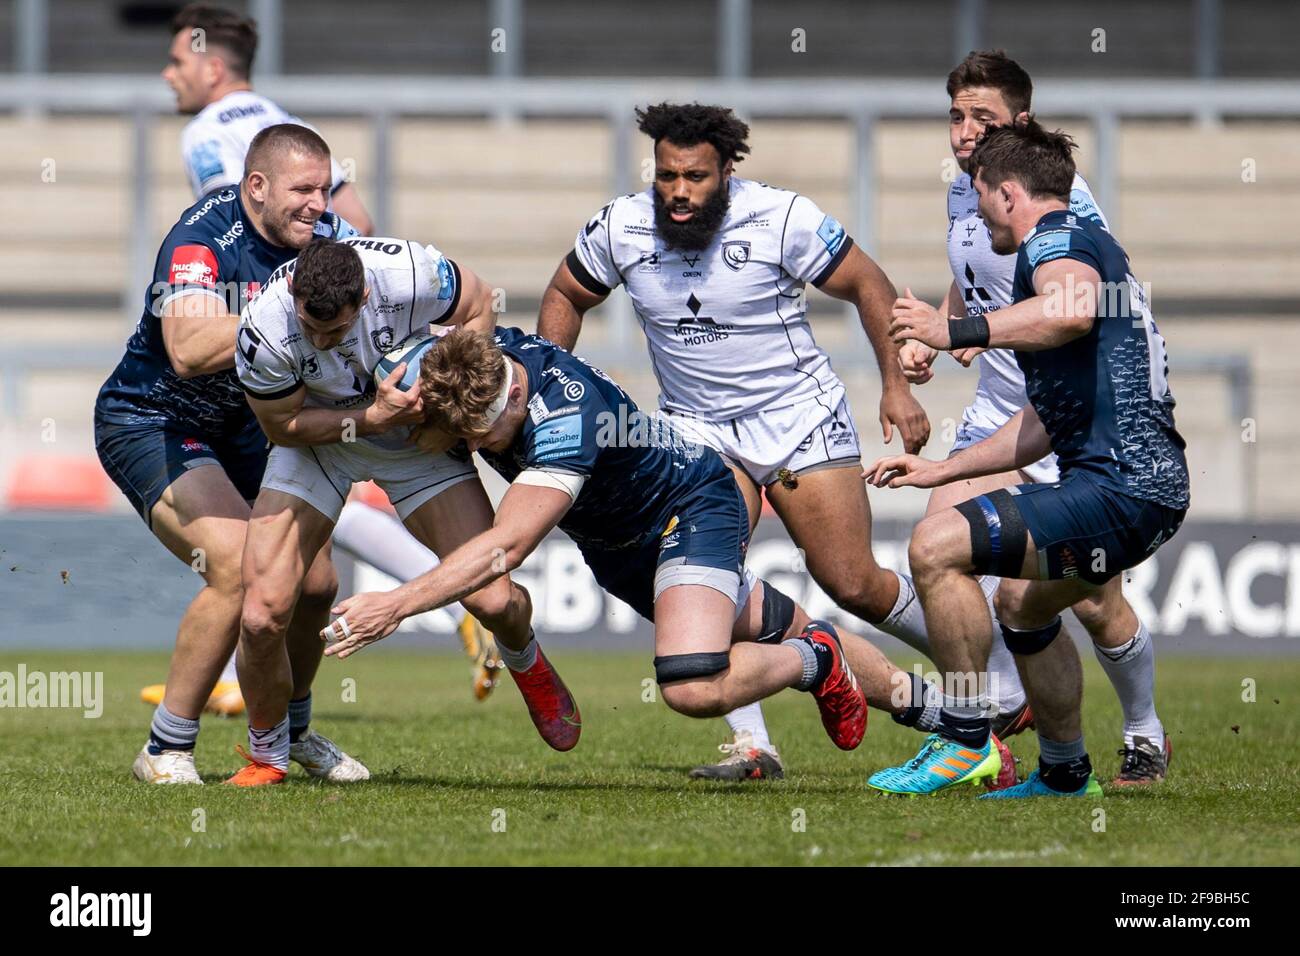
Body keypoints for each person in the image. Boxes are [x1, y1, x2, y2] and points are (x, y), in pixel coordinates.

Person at [536, 102, 933, 781]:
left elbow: (868, 283)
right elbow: (567, 292)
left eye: (695, 176)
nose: (680, 192)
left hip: (796, 419)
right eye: (666, 177)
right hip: (697, 432)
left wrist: (897, 385)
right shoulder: (621, 227)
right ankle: (754, 745)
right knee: (696, 579)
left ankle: (992, 678)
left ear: (726, 170)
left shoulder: (781, 218)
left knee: (853, 583)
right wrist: (549, 386)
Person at [317, 326, 882, 757]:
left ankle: (816, 659)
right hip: (614, 546)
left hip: (688, 506)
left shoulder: (565, 421)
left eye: (478, 437)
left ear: (513, 401)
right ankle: (934, 708)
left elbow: (504, 550)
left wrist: (393, 605)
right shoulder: (474, 356)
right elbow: (474, 301)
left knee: (690, 686)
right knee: (760, 624)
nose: (470, 448)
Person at [864, 121, 1189, 798]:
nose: (977, 212)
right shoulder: (1087, 248)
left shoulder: (1058, 241)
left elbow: (1066, 312)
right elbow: (1042, 424)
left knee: (934, 548)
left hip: (1120, 488)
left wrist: (953, 329)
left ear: (1008, 194)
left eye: (980, 195)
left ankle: (963, 738)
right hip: (1145, 489)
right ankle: (1067, 774)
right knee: (1023, 607)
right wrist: (945, 471)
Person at [95, 124, 366, 784]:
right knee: (239, 569)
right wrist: (285, 309)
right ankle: (165, 748)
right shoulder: (201, 239)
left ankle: (292, 733)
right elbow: (187, 348)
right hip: (153, 420)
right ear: (257, 187)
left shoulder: (325, 242)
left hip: (249, 426)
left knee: (317, 583)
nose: (317, 204)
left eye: (324, 190)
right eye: (302, 190)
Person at [228, 238, 538, 785]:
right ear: (294, 296)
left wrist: (449, 411)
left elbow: (481, 302)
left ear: (366, 296)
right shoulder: (262, 328)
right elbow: (280, 427)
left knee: (494, 597)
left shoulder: (406, 272)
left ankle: (526, 658)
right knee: (261, 615)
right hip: (319, 445)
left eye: (337, 330)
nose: (321, 341)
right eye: (310, 328)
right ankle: (268, 758)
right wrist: (370, 418)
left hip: (415, 439)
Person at [163, 3, 373, 231]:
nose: (168, 75)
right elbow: (359, 223)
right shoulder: (293, 125)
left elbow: (233, 225)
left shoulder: (206, 130)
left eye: (178, 63)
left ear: (213, 71)